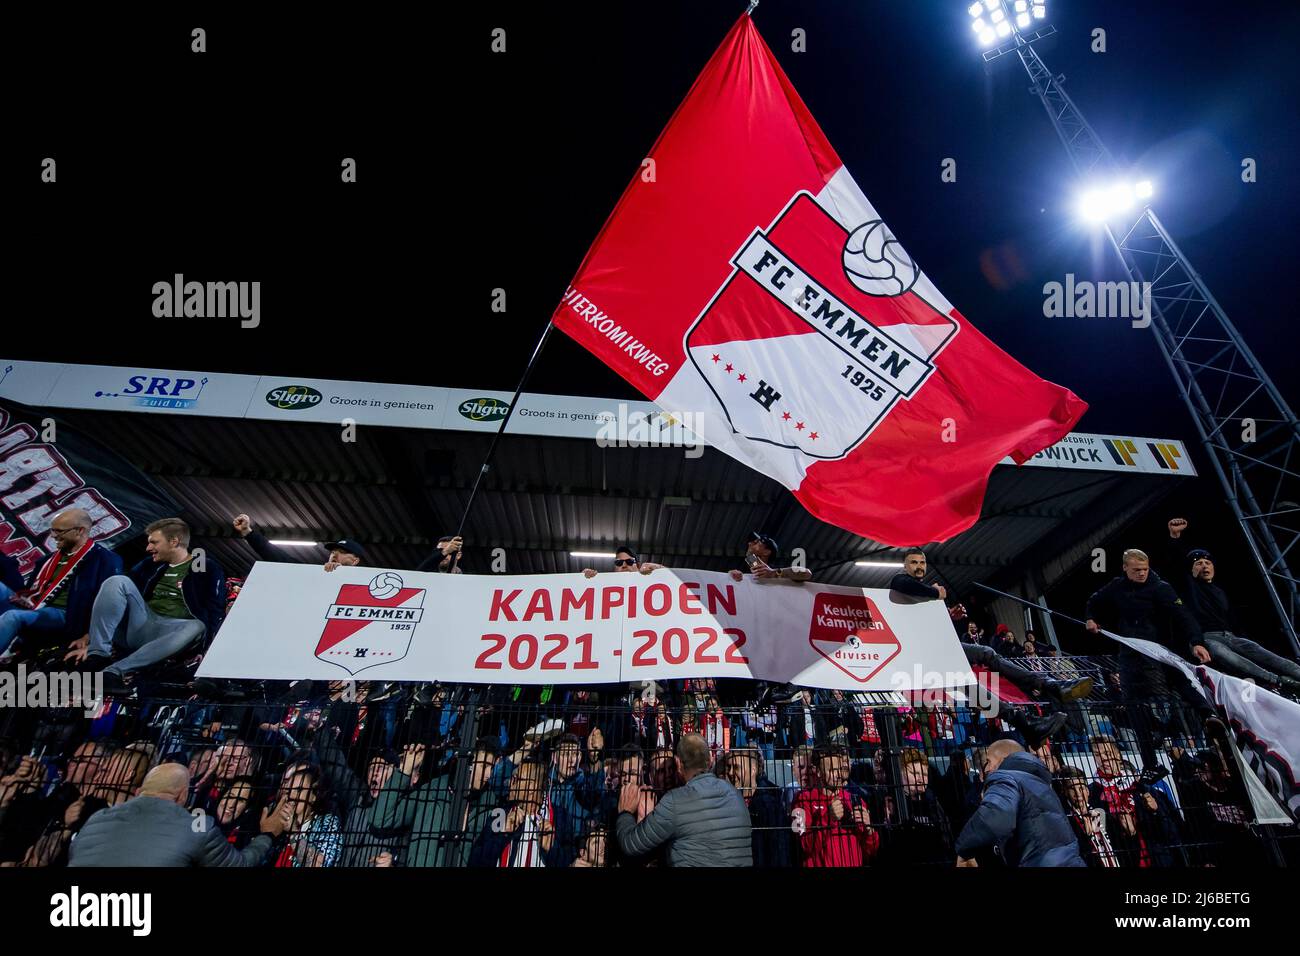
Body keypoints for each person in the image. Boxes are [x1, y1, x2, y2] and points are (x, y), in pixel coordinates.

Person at [1085, 548, 1222, 769]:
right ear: (1125, 568)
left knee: (1179, 682)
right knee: (1133, 704)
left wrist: (1196, 641)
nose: (1142, 574)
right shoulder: (1116, 586)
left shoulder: (1161, 588)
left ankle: (1208, 717)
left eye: (1145, 569)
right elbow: (1094, 601)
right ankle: (1150, 764)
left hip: (1162, 649)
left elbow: (1184, 616)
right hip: (1131, 652)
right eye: (1137, 570)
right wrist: (1091, 618)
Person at [64, 517, 226, 689]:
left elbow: (215, 609)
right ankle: (97, 655)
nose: (148, 548)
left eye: (154, 542)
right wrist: (89, 639)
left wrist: (209, 652)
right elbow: (116, 597)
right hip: (142, 623)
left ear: (174, 542)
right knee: (117, 581)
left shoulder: (205, 567)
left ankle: (114, 672)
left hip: (174, 632)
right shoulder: (148, 565)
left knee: (197, 625)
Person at [1163, 518, 1300, 695]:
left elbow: (1233, 620)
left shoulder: (1220, 591)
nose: (1204, 565)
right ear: (1191, 569)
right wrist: (1175, 536)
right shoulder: (1188, 586)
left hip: (1231, 636)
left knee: (1267, 655)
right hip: (1207, 638)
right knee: (1229, 657)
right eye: (1199, 563)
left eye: (1207, 563)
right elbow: (1175, 564)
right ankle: (1277, 681)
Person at [68, 763, 290, 866]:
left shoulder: (97, 819)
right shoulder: (196, 825)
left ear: (139, 791)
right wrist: (267, 836)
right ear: (183, 795)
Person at [0, 508, 123, 659]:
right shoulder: (49, 559)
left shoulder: (105, 560)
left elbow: (109, 604)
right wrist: (27, 596)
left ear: (79, 531)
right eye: (52, 530)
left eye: (59, 531)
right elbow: (34, 587)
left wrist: (89, 636)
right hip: (35, 604)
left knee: (13, 616)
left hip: (64, 615)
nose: (53, 535)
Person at [614, 733, 752, 866]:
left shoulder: (675, 801)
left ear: (678, 764)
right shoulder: (735, 794)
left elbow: (630, 844)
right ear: (710, 759)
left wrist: (625, 812)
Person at [954, 740, 1085, 867]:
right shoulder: (1042, 785)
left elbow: (995, 817)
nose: (986, 767)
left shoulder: (1006, 777)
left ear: (1003, 760)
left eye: (988, 761)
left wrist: (965, 850)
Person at [790, 744, 878, 867]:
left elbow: (871, 851)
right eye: (832, 770)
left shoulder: (855, 800)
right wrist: (828, 819)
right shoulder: (801, 801)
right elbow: (803, 846)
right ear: (818, 771)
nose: (838, 774)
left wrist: (869, 830)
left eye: (840, 769)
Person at [720, 747, 792, 867]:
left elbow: (779, 849)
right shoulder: (727, 800)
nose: (731, 772)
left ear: (753, 770)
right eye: (729, 767)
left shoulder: (770, 805)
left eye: (736, 767)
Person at [232, 513, 369, 570]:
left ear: (355, 561)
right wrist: (247, 531)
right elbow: (276, 556)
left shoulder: (366, 585)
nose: (334, 554)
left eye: (343, 552)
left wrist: (343, 576)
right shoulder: (309, 574)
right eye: (333, 551)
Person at [1055, 766, 1120, 867]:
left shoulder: (1100, 812)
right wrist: (1086, 837)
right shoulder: (1065, 819)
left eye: (1081, 787)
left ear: (1087, 790)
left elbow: (1118, 844)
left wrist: (1131, 834)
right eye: (1072, 789)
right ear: (1065, 791)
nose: (1078, 794)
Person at [727, 532, 812, 583]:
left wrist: (774, 573)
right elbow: (755, 567)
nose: (751, 543)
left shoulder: (776, 570)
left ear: (766, 552)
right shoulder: (746, 569)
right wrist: (730, 576)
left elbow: (807, 574)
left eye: (758, 543)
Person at [581, 544, 662, 578]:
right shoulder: (603, 589)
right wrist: (581, 580)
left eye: (629, 561)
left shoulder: (649, 586)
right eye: (619, 562)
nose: (624, 565)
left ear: (638, 566)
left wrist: (659, 568)